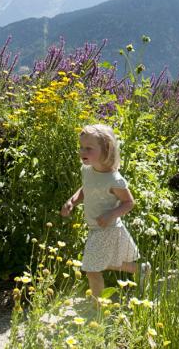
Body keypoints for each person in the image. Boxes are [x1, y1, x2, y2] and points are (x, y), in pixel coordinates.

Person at [60, 124, 150, 299]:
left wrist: (111, 214)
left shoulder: (115, 180)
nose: (82, 151)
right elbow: (86, 188)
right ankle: (141, 270)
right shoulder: (87, 170)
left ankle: (98, 307)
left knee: (91, 268)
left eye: (88, 148)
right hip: (96, 227)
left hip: (108, 228)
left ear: (106, 150)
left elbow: (129, 203)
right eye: (81, 147)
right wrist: (73, 201)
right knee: (106, 262)